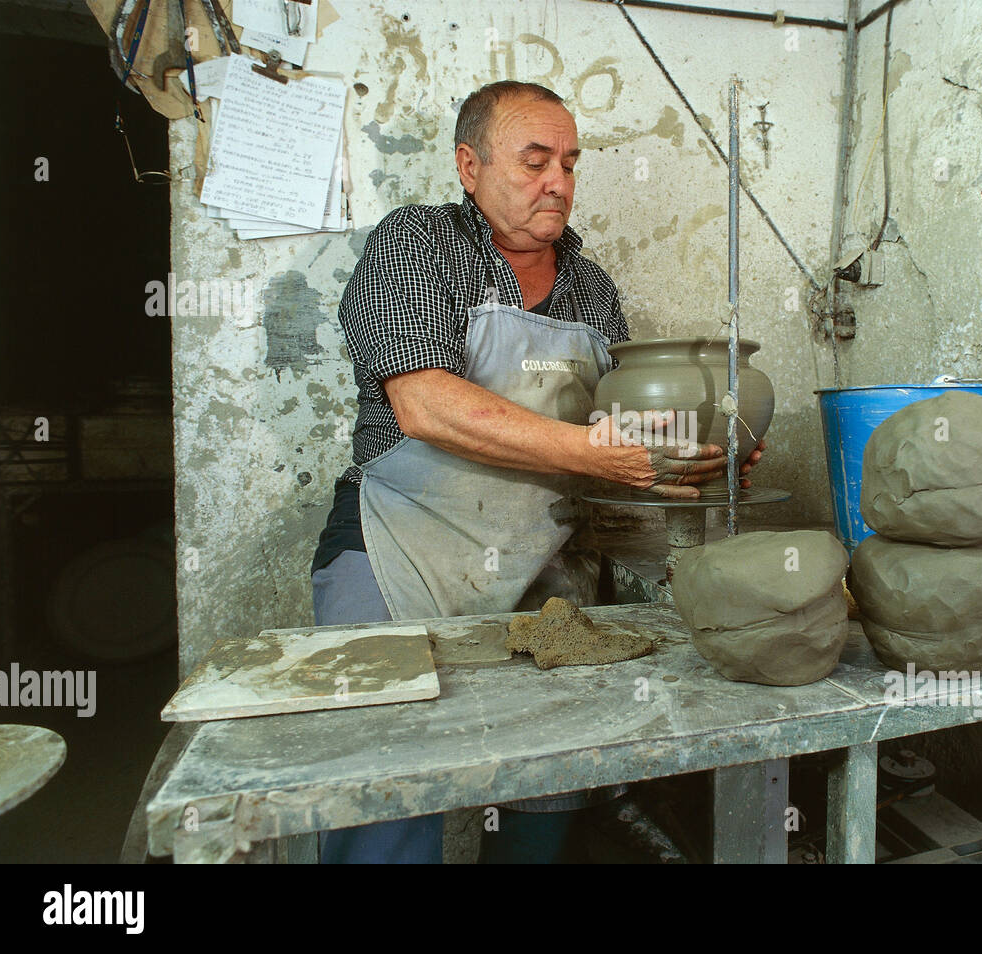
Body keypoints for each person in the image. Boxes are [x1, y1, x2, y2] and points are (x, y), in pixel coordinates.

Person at [310, 80, 761, 863]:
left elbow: (614, 444)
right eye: (534, 160)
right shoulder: (416, 244)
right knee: (383, 786)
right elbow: (424, 405)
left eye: (570, 162)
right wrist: (597, 453)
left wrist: (695, 465)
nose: (558, 181)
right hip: (401, 551)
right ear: (469, 165)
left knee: (548, 786)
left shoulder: (593, 288)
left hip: (548, 560)